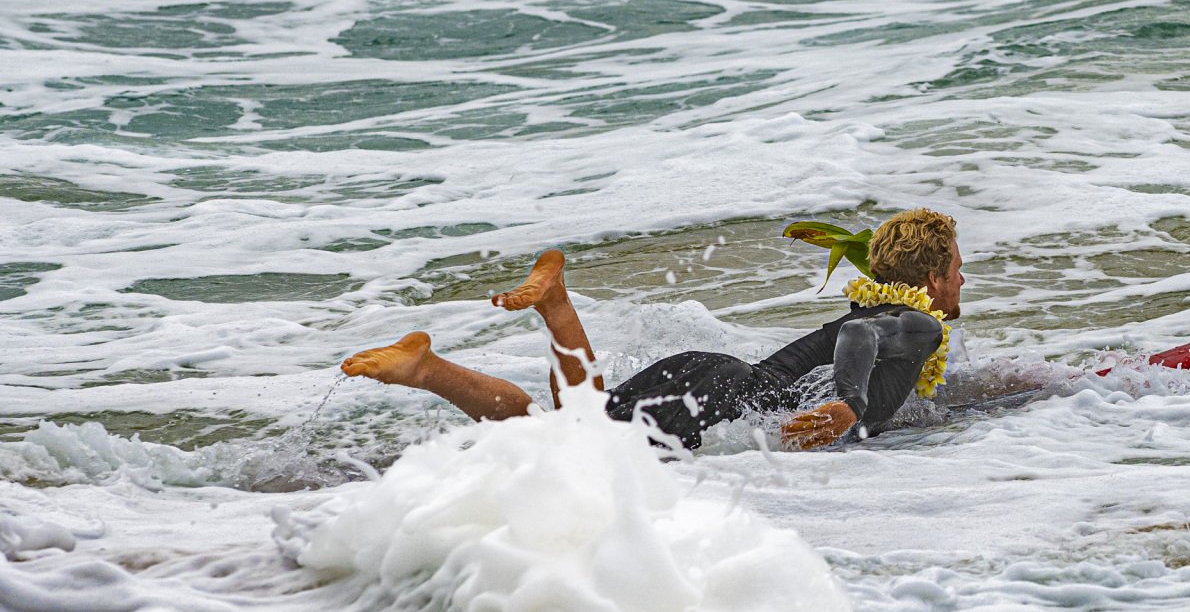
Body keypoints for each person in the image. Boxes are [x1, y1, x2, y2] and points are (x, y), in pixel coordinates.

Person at [340, 209, 964, 451]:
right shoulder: (918, 325)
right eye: (958, 271)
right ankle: (547, 311)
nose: (962, 284)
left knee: (565, 434)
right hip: (734, 396)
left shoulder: (872, 312)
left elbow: (863, 336)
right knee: (579, 451)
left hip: (713, 372)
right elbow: (867, 340)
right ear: (932, 278)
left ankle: (430, 367)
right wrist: (848, 406)